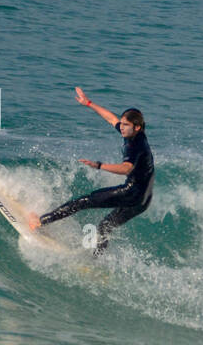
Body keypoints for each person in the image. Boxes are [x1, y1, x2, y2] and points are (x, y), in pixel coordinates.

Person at [29, 87, 155, 253]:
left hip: (132, 193)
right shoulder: (134, 134)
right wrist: (88, 103)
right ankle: (96, 259)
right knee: (105, 226)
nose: (121, 127)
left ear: (136, 127)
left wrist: (99, 165)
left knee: (84, 202)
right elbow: (111, 119)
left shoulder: (135, 145)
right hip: (144, 199)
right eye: (122, 124)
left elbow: (126, 168)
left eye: (126, 125)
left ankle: (41, 221)